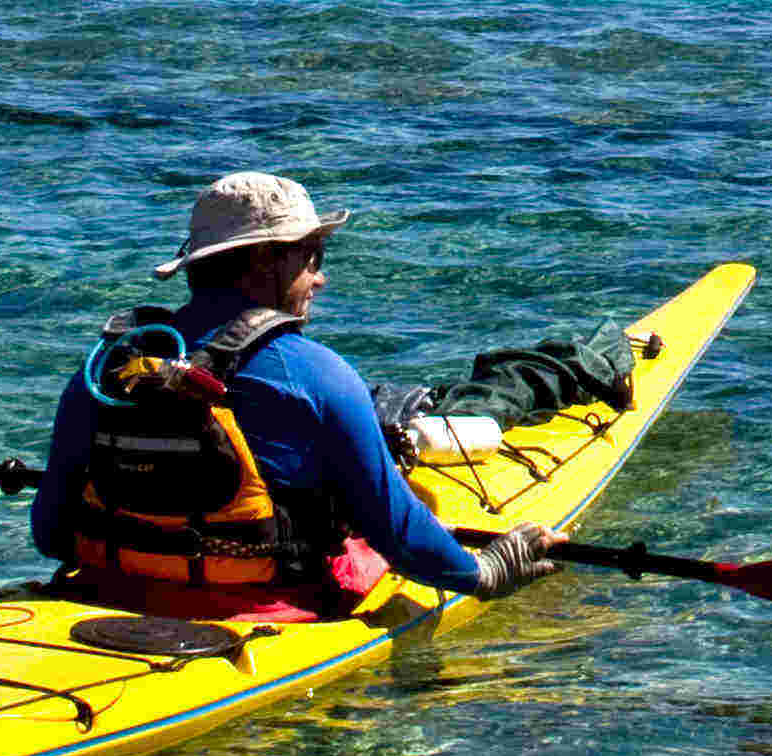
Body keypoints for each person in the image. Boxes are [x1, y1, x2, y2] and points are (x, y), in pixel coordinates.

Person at [31, 171, 559, 618]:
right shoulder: (318, 376)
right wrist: (485, 571)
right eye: (312, 257)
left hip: (106, 595)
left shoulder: (109, 368)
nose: (321, 278)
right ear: (265, 263)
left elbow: (51, 534)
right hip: (267, 609)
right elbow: (399, 536)